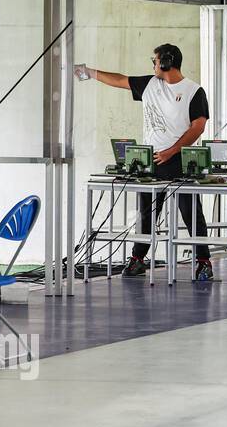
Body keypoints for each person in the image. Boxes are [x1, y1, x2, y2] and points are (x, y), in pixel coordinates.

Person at [74, 44, 214, 281]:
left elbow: (198, 126)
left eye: (155, 60)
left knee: (191, 213)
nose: (153, 64)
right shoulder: (150, 84)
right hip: (153, 161)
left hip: (180, 161)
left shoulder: (193, 91)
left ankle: (203, 262)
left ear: (167, 62)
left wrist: (172, 151)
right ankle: (138, 259)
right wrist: (89, 72)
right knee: (146, 214)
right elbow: (121, 80)